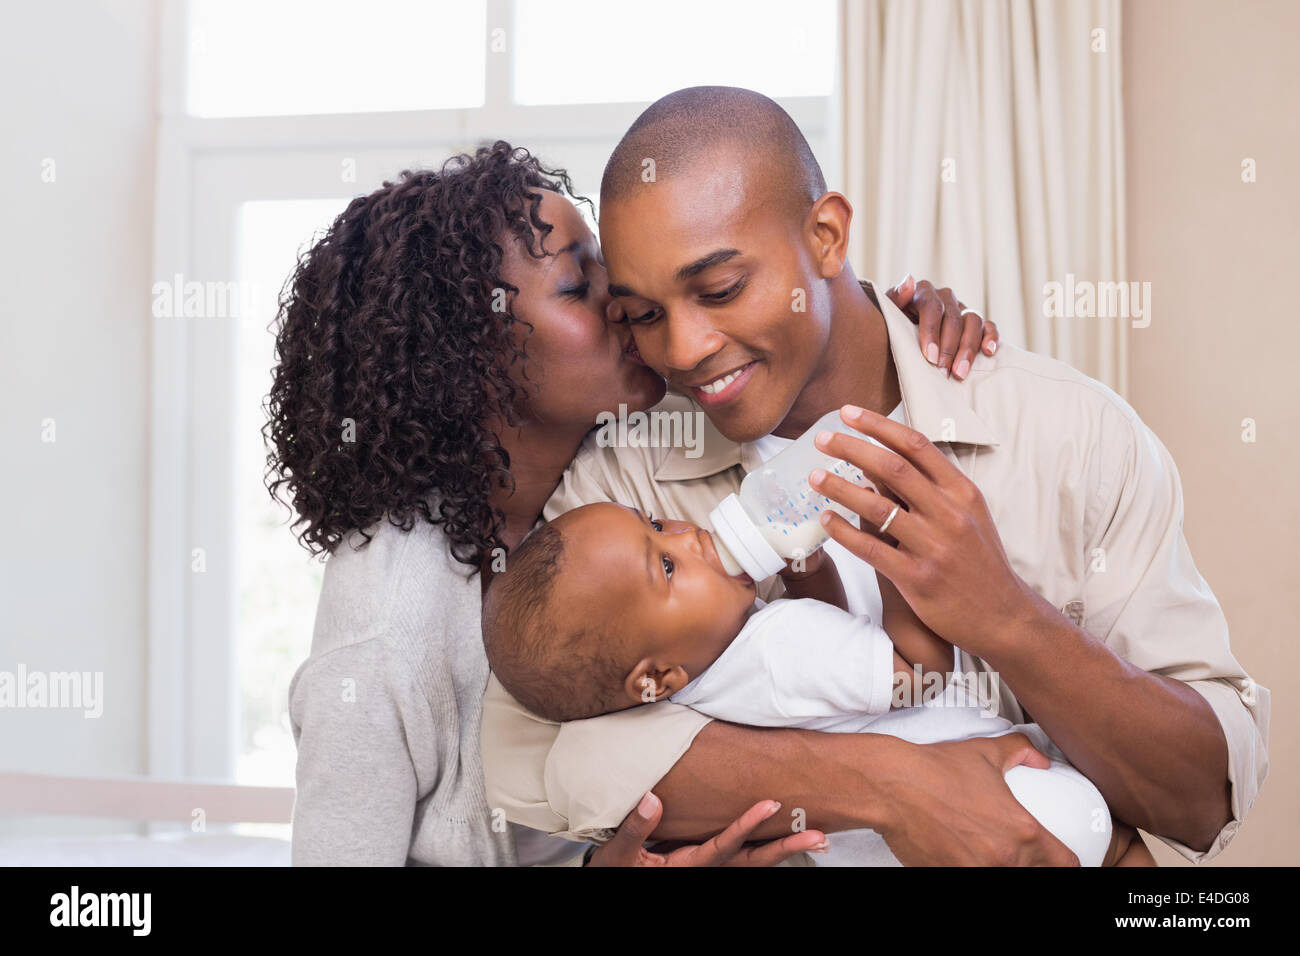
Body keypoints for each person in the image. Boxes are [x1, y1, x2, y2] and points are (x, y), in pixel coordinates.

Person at [480, 87, 1270, 865]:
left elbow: (1202, 799)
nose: (682, 350)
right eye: (644, 314)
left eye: (719, 290)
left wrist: (1007, 619)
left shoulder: (1070, 435)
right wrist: (896, 786)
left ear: (826, 235)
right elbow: (540, 765)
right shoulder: (622, 486)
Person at [266, 140, 994, 865]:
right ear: (468, 362)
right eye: (578, 289)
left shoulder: (622, 450)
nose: (624, 299)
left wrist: (900, 325)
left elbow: (801, 329)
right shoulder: (384, 631)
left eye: (603, 264)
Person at [481, 501, 1157, 866]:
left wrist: (805, 572)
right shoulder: (771, 647)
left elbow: (827, 654)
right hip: (1020, 798)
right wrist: (884, 552)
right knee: (1124, 842)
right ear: (655, 675)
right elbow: (910, 673)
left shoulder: (699, 695)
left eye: (655, 523)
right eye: (663, 566)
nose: (686, 535)